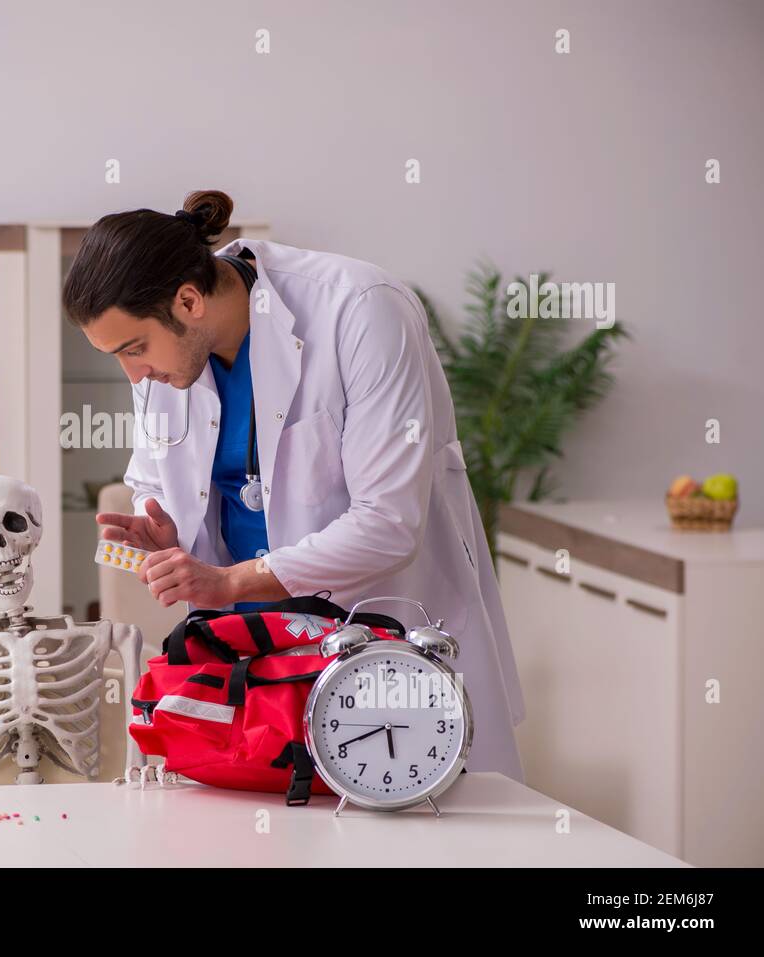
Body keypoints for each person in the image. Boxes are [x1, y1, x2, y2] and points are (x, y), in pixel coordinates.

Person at [61, 189, 526, 781]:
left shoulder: (361, 311)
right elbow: (156, 475)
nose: (134, 374)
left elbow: (388, 524)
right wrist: (172, 533)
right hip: (258, 659)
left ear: (188, 300)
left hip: (385, 638)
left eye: (134, 349)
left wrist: (232, 581)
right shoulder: (163, 360)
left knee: (410, 828)